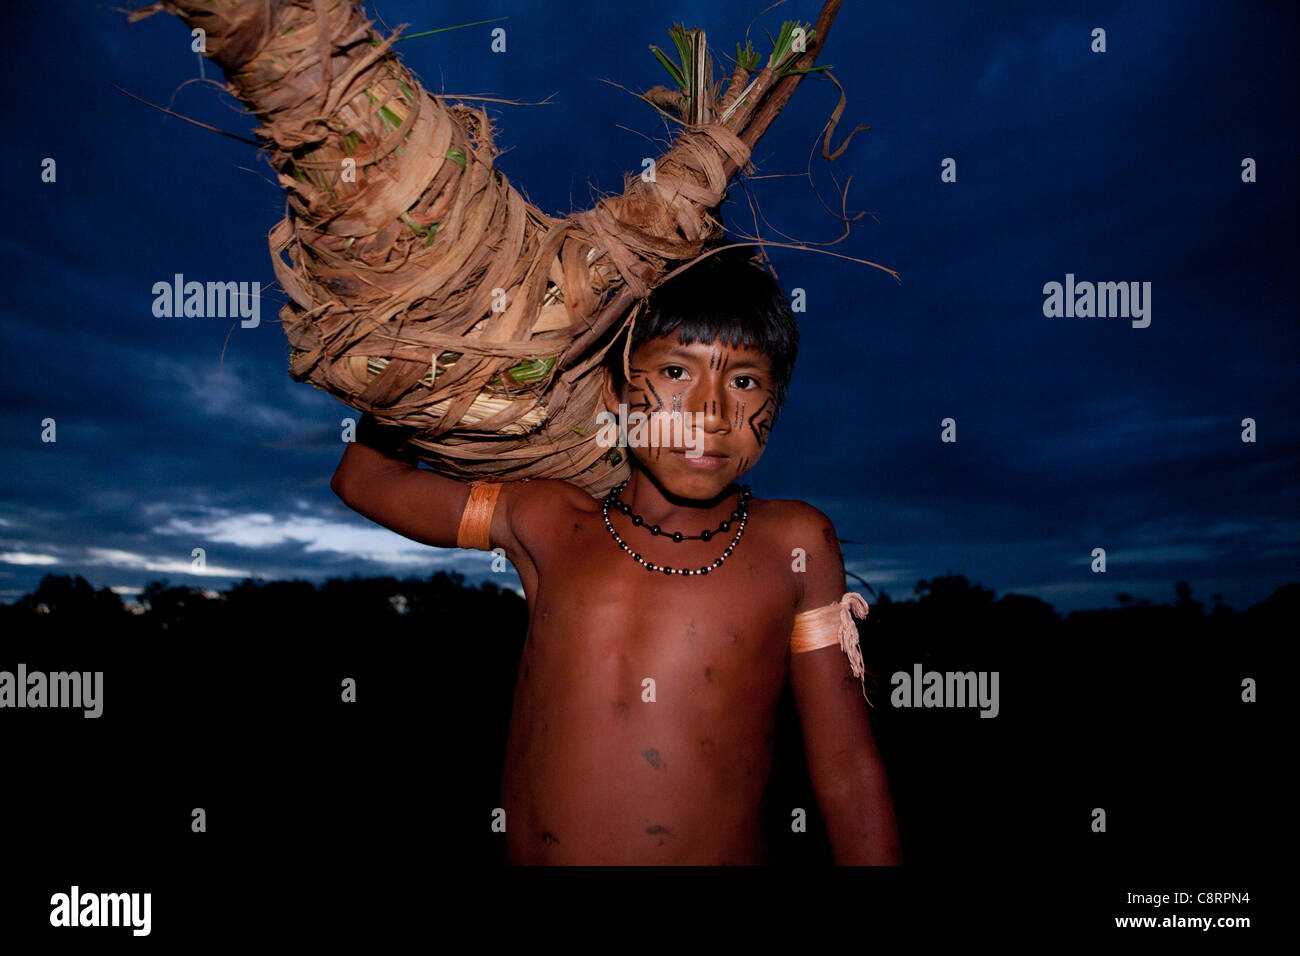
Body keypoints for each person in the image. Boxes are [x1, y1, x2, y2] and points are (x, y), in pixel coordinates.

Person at [330, 245, 902, 865]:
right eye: (677, 373)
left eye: (743, 381)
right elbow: (363, 483)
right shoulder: (550, 522)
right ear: (612, 390)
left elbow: (847, 768)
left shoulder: (792, 543)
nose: (711, 413)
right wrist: (423, 360)